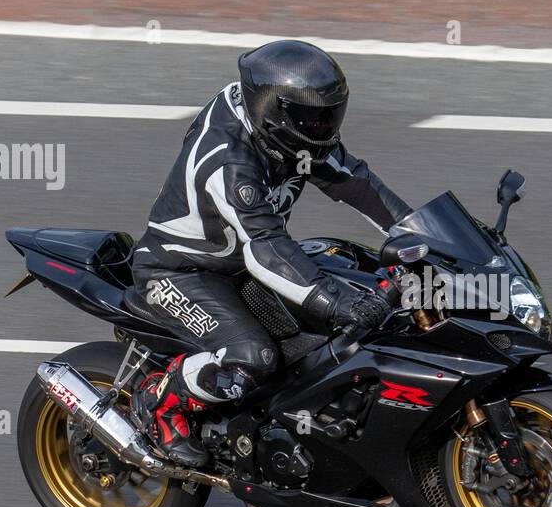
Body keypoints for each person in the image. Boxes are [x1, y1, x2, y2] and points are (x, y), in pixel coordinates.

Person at [130, 40, 410, 467]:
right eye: (312, 119)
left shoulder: (281, 128)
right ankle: (161, 402)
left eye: (329, 116)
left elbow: (357, 184)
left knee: (334, 312)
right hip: (178, 270)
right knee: (254, 357)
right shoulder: (229, 163)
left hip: (238, 262)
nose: (323, 128)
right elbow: (265, 249)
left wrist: (420, 235)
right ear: (276, 112)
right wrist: (339, 303)